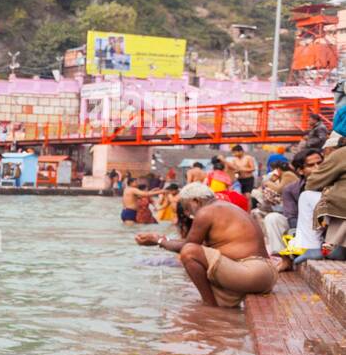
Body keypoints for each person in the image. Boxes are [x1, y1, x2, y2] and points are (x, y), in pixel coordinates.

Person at [135, 181, 274, 307]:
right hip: (262, 274)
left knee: (189, 253)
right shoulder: (224, 207)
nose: (188, 214)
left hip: (252, 272)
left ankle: (210, 305)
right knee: (192, 250)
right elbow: (191, 242)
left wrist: (158, 241)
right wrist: (161, 239)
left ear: (196, 201)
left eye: (187, 208)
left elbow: (188, 247)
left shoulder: (206, 212)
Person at [264, 148, 324, 269]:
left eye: (320, 163)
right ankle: (285, 260)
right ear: (301, 171)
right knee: (273, 218)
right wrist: (298, 240)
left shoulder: (334, 183)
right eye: (311, 165)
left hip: (327, 228)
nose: (317, 167)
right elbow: (291, 217)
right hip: (301, 228)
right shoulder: (291, 189)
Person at [306, 128, 346, 257]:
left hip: (341, 205)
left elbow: (312, 183)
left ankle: (310, 245)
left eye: (326, 151)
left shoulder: (341, 153)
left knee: (306, 196)